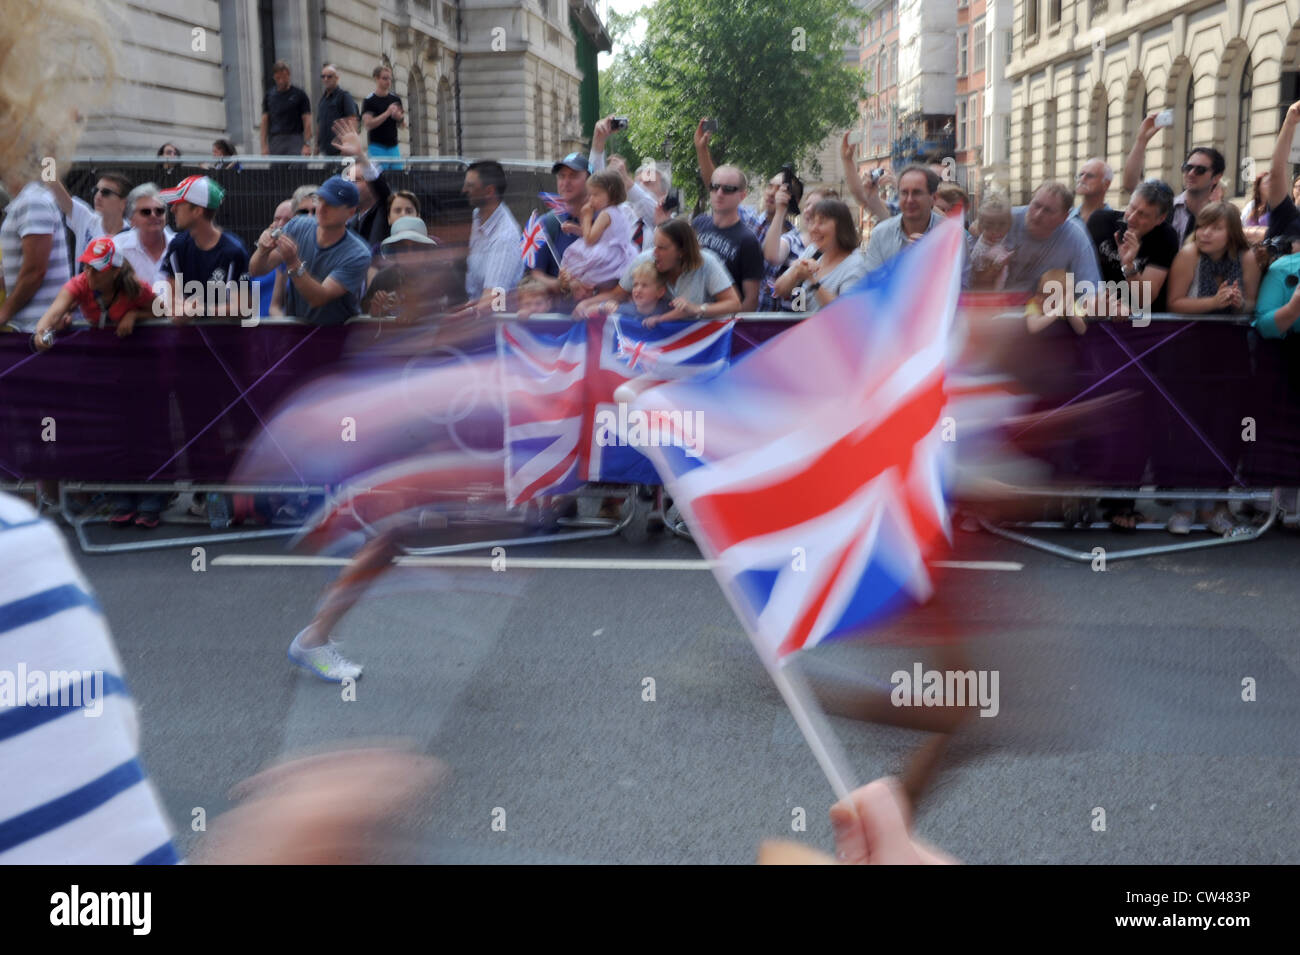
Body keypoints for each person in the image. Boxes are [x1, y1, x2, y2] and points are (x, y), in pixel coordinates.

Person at [1164, 201, 1260, 537]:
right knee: (1189, 426)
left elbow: (1252, 302)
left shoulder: (1245, 258)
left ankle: (1216, 507)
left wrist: (1238, 303)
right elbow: (1174, 302)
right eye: (1203, 225)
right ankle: (1185, 506)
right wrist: (1213, 303)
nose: (1205, 232)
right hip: (1190, 349)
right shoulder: (1189, 254)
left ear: (1230, 233)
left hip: (1230, 351)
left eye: (1215, 227)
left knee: (1225, 428)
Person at [249, 176, 370, 326]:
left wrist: (293, 263)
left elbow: (318, 298)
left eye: (332, 204)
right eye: (321, 200)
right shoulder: (298, 225)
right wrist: (262, 250)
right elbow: (257, 270)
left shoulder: (358, 254)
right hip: (297, 333)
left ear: (350, 213)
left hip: (336, 335)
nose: (322, 208)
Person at [575, 218, 741, 321]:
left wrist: (698, 309)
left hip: (698, 346)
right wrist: (586, 304)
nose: (654, 253)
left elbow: (733, 304)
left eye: (662, 248)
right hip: (657, 346)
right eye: (654, 245)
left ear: (682, 251)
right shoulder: (644, 260)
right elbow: (617, 295)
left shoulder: (707, 263)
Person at [157, 175, 250, 320]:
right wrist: (177, 309)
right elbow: (171, 297)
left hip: (227, 340)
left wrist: (200, 310)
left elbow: (243, 306)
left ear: (197, 211)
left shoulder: (234, 251)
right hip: (187, 339)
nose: (173, 209)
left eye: (179, 203)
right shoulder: (178, 246)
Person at [1122, 114, 1224, 242]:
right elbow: (1130, 185)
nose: (1191, 173)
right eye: (1188, 167)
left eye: (1200, 170)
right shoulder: (1165, 205)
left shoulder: (1220, 217)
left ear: (1216, 177)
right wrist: (1141, 140)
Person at [988, 182, 1102, 294]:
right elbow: (973, 273)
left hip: (1045, 308)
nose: (1038, 215)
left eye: (1048, 211)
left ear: (1064, 217)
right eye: (1036, 205)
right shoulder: (1006, 220)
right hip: (997, 304)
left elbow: (1090, 289)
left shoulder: (1075, 236)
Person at [1087, 179, 1179, 315]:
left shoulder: (1165, 236)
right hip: (1098, 311)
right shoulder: (1100, 221)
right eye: (1131, 208)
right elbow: (1080, 273)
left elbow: (1145, 300)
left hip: (1141, 321)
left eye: (1143, 214)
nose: (1131, 218)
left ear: (1160, 218)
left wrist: (1128, 264)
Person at [0, 171, 72, 333]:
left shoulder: (32, 202)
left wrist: (3, 314)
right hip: (30, 329)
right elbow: (13, 274)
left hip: (37, 331)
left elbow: (35, 272)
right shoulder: (27, 201)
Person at [772, 197, 868, 315]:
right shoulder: (813, 251)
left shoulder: (855, 265)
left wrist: (813, 281)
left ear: (841, 227)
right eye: (812, 222)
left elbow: (846, 313)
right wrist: (796, 271)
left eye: (821, 222)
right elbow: (779, 289)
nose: (813, 229)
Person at [453, 160, 524, 318]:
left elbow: (494, 300)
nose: (464, 190)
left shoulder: (505, 237)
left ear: (489, 191)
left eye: (470, 186)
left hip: (492, 330)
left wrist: (457, 317)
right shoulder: (476, 216)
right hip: (474, 318)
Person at [692, 165, 765, 312]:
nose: (719, 193)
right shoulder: (698, 224)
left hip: (723, 326)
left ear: (742, 196)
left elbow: (751, 300)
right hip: (690, 319)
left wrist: (730, 328)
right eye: (714, 187)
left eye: (728, 189)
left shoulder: (748, 241)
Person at [557, 170, 638, 294]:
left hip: (606, 258)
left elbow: (589, 239)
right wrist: (575, 229)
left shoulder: (605, 214)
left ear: (610, 192)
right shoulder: (621, 211)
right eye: (589, 195)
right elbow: (600, 235)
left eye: (595, 195)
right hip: (619, 255)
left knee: (575, 266)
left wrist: (586, 216)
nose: (591, 200)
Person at [527, 151, 592, 303]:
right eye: (562, 176)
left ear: (590, 181)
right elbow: (535, 274)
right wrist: (561, 285)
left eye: (573, 176)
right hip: (559, 320)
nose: (566, 182)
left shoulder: (605, 220)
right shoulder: (546, 223)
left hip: (599, 318)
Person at [863, 165, 945, 272]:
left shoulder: (953, 236)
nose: (909, 200)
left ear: (933, 198)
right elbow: (873, 284)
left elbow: (961, 286)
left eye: (917, 193)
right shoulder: (880, 235)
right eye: (904, 193)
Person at [764, 185, 834, 311]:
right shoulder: (794, 239)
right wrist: (780, 212)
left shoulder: (835, 250)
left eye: (816, 206)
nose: (808, 210)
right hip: (791, 318)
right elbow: (771, 256)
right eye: (807, 205)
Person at [331, 118, 394, 249]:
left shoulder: (385, 209)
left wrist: (360, 155)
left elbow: (382, 189)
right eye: (349, 180)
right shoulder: (349, 221)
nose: (351, 185)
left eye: (357, 180)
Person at [45, 169, 132, 262]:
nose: (98, 196)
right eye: (96, 190)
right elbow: (55, 188)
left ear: (123, 203)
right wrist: (47, 159)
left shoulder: (133, 237)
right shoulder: (87, 219)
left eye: (106, 192)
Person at [363, 215, 438, 316]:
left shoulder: (442, 277)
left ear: (426, 250)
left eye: (416, 248)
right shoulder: (382, 279)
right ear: (394, 252)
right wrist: (375, 310)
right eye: (402, 248)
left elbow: (456, 313)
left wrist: (422, 311)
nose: (409, 254)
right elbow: (365, 316)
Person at [114, 183, 175, 287]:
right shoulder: (117, 247)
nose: (153, 215)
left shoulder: (184, 247)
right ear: (131, 220)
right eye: (146, 212)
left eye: (159, 211)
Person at [260, 60, 312, 156]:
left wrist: (307, 144)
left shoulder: (300, 95)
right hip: (275, 139)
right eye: (278, 78)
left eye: (283, 77)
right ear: (274, 77)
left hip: (295, 138)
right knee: (277, 170)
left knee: (297, 169)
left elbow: (307, 121)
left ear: (288, 75)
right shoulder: (269, 95)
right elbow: (264, 121)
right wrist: (263, 146)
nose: (281, 80)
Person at [966, 196, 1014, 290]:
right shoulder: (981, 251)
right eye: (988, 226)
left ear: (1009, 224)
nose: (995, 231)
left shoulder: (1001, 238)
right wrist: (997, 266)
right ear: (981, 225)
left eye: (1001, 225)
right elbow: (977, 279)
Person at [361, 64, 404, 167]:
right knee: (380, 179)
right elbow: (368, 124)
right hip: (377, 147)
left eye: (389, 78)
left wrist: (400, 118)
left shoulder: (396, 99)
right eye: (384, 78)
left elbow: (402, 126)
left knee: (399, 178)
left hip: (394, 147)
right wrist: (387, 113)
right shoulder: (369, 100)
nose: (388, 81)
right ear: (376, 78)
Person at [315, 64, 359, 156]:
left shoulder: (344, 96)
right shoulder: (322, 99)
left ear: (337, 78)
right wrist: (316, 146)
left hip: (342, 151)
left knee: (346, 171)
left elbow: (352, 120)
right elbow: (319, 124)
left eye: (329, 76)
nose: (326, 79)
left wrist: (350, 145)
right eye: (323, 76)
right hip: (326, 151)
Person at [1070, 157, 1112, 223]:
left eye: (1090, 176)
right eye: (1081, 175)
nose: (1082, 179)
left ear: (1106, 184)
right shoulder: (1066, 218)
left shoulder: (1113, 222)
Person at [1240, 169, 1270, 243]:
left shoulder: (1278, 206)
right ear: (1259, 187)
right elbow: (1241, 225)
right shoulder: (1251, 205)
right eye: (1267, 183)